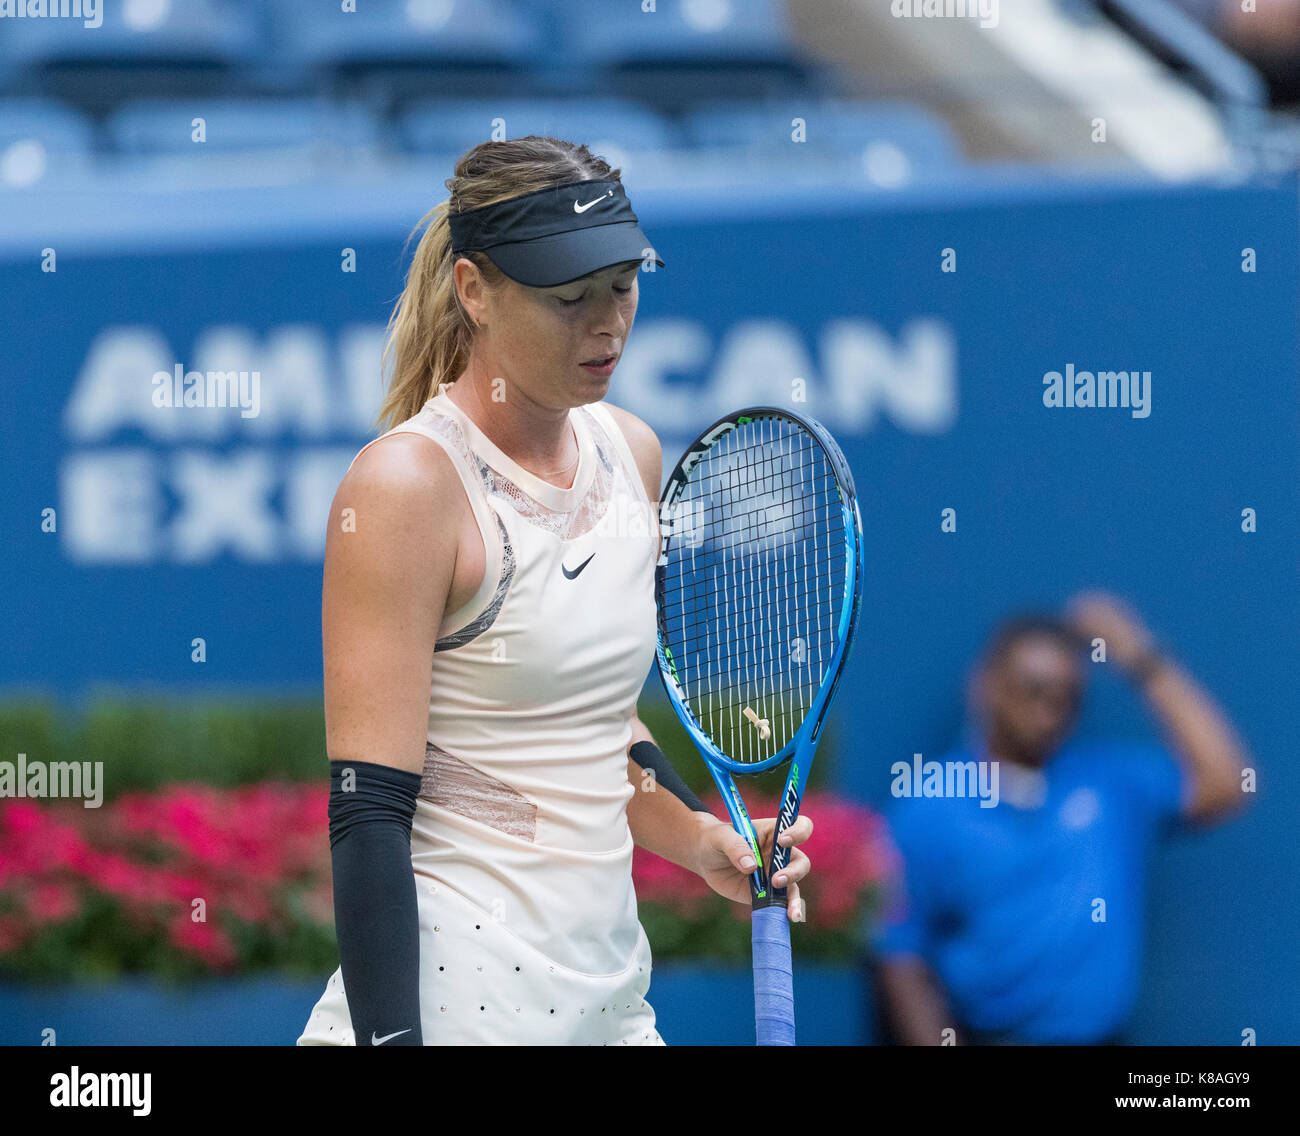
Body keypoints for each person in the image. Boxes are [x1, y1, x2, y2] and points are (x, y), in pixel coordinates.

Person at [297, 136, 812, 1046]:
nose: (607, 324)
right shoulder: (406, 487)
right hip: (452, 1009)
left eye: (622, 285)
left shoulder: (633, 454)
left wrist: (702, 842)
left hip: (608, 1003)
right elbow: (367, 810)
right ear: (473, 291)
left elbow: (597, 730)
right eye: (569, 298)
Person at [874, 593, 1251, 1045]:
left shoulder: (1111, 784)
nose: (1048, 711)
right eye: (1032, 689)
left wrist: (1140, 656)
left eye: (1066, 697)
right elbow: (900, 954)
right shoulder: (927, 806)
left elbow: (1227, 783)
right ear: (985, 686)